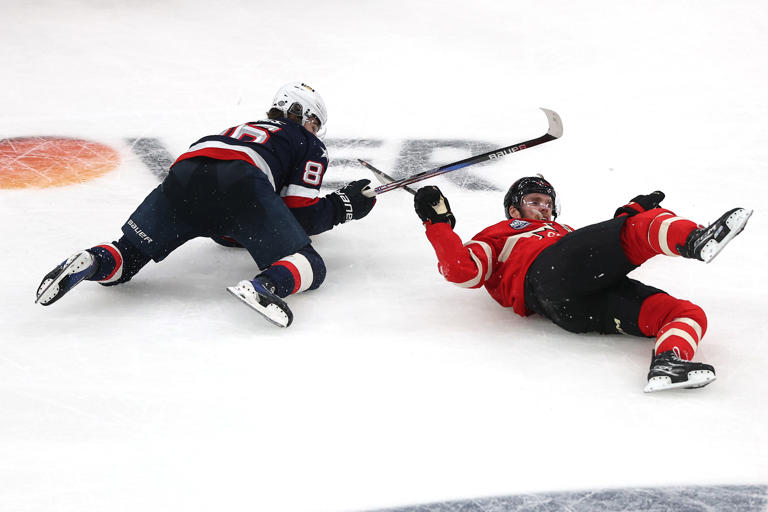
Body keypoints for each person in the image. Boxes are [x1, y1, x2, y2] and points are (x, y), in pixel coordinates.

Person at [35, 82, 377, 327]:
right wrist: (344, 205)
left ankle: (93, 262)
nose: (315, 130)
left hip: (186, 173)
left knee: (129, 255)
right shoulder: (306, 141)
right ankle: (266, 285)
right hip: (241, 181)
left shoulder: (239, 127)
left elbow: (233, 220)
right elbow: (300, 215)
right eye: (315, 123)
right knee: (310, 264)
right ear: (306, 118)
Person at [413, 176, 752, 392]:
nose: (544, 209)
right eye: (534, 201)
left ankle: (669, 363)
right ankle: (696, 240)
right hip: (544, 278)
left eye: (548, 204)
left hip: (574, 309)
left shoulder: (565, 234)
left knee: (684, 312)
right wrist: (439, 224)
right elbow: (462, 271)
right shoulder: (499, 233)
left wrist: (627, 212)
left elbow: (595, 251)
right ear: (513, 209)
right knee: (638, 228)